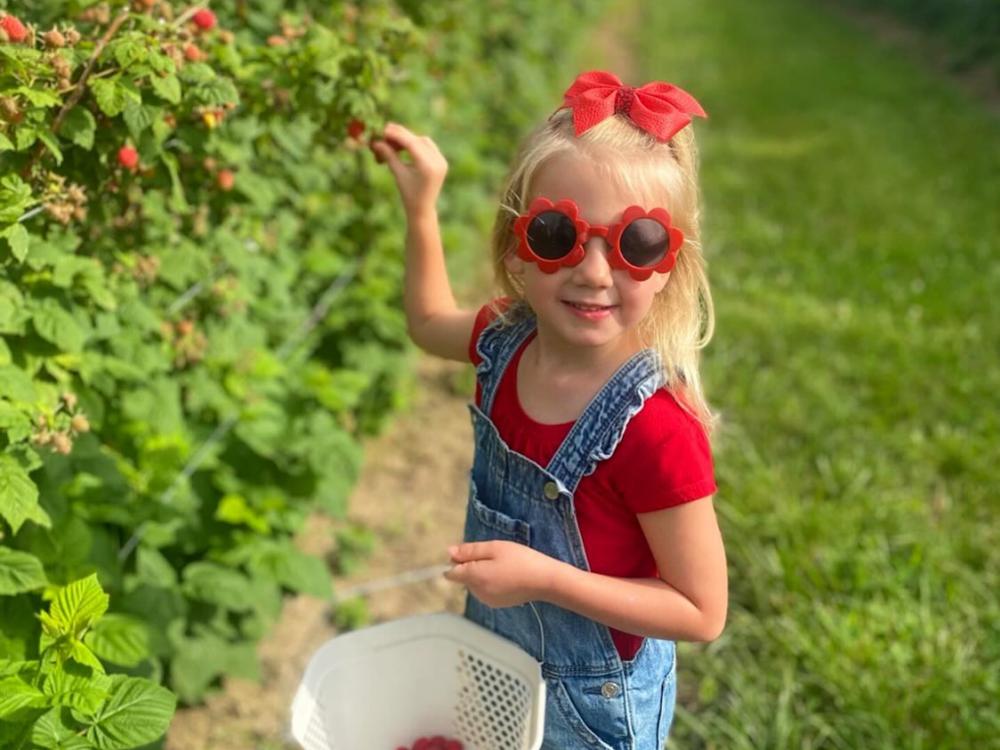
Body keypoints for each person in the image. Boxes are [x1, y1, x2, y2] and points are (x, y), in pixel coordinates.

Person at [370, 69, 728, 750]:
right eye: (559, 233)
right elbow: (425, 322)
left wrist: (544, 580)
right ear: (517, 247)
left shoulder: (655, 428)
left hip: (589, 712)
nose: (594, 271)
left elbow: (701, 610)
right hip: (496, 671)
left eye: (636, 243)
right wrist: (421, 210)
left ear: (671, 267)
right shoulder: (504, 341)